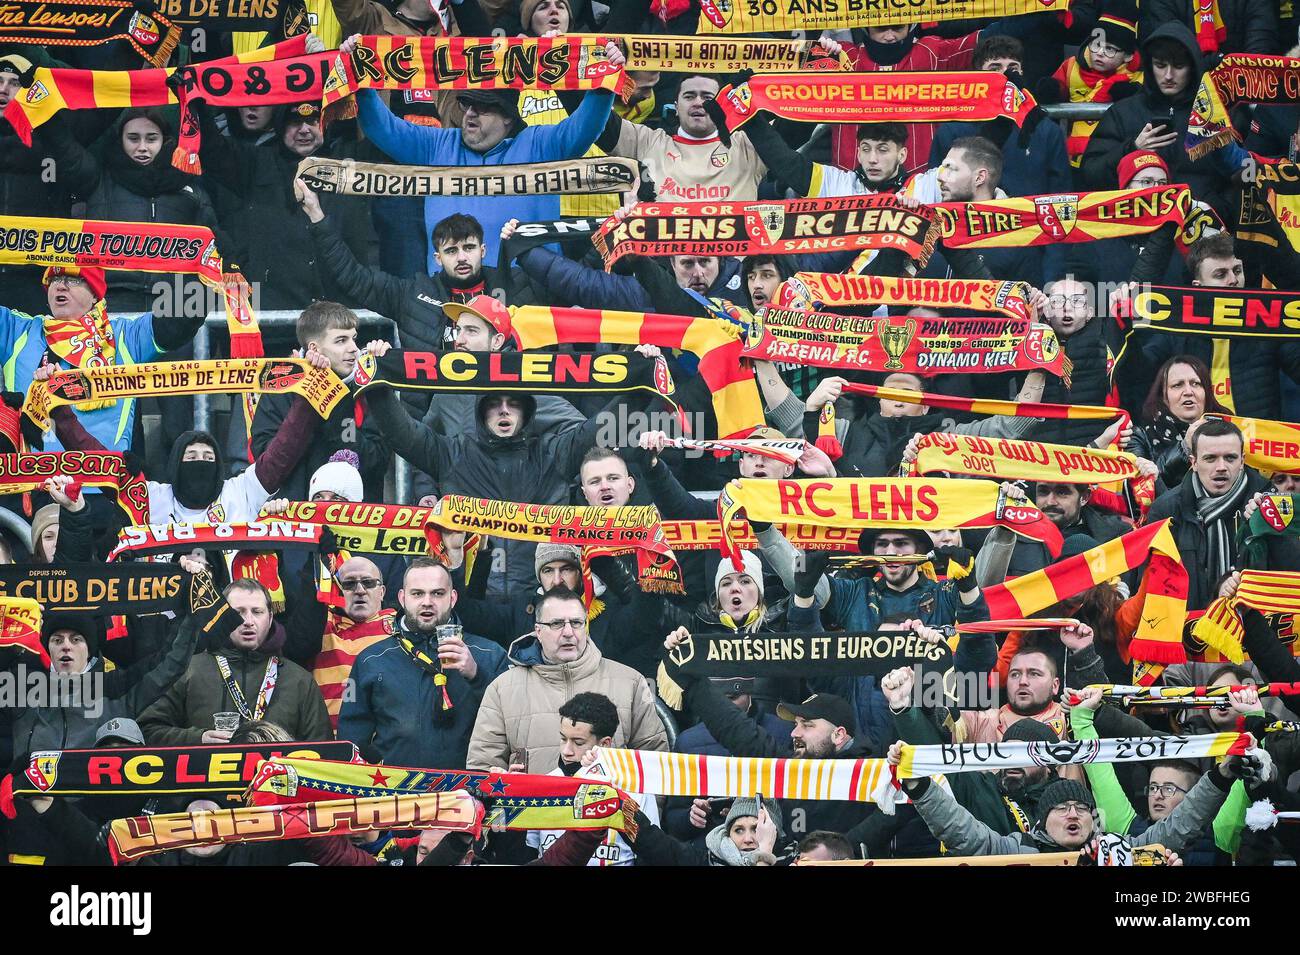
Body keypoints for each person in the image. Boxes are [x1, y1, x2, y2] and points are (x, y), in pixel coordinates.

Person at [346, 32, 624, 269]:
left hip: (528, 291)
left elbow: (586, 126)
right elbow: (382, 129)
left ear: (508, 117)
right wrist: (361, 85)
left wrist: (605, 81)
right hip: (453, 292)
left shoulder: (540, 144)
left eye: (483, 107)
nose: (470, 114)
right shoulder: (437, 145)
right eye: (467, 104)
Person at [466, 587, 668, 774]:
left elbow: (656, 765)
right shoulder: (502, 689)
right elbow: (482, 767)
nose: (569, 632)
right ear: (538, 631)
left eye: (577, 623)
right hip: (528, 812)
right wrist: (504, 788)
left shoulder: (630, 682)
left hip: (611, 813)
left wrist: (639, 812)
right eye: (556, 624)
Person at [339, 558, 507, 768]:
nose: (427, 601)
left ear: (453, 598)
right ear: (402, 598)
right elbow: (352, 738)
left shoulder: (489, 653)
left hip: (468, 793)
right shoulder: (371, 659)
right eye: (417, 593)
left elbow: (511, 726)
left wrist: (477, 675)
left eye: (437, 593)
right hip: (395, 792)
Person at [138, 579, 331, 745]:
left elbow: (323, 751)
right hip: (209, 784)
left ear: (271, 618)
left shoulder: (299, 680)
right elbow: (146, 730)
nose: (248, 621)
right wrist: (199, 738)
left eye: (257, 612)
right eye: (238, 612)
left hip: (276, 786)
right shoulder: (186, 670)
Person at [250, 301, 389, 504]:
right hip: (294, 521)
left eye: (354, 339)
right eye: (341, 341)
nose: (354, 349)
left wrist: (335, 396)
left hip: (353, 524)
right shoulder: (280, 389)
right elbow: (269, 468)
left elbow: (374, 462)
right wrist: (310, 395)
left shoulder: (367, 387)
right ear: (314, 348)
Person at [1144, 417, 1270, 609]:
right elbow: (1150, 586)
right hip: (1187, 629)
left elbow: (1289, 573)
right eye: (1210, 458)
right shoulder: (1165, 510)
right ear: (1193, 462)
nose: (1221, 467)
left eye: (1230, 458)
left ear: (1242, 461)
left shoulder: (1267, 503)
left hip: (1253, 628)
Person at [524, 691, 660, 866]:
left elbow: (650, 856)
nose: (566, 751)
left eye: (578, 743)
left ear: (604, 744)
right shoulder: (546, 785)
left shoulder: (636, 790)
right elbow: (528, 853)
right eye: (563, 739)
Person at [596, 73, 766, 203]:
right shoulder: (646, 141)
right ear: (676, 107)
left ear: (723, 106)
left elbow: (791, 125)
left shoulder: (750, 145)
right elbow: (593, 120)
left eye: (707, 97)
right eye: (689, 96)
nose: (698, 102)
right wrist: (604, 72)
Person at [1131, 354, 1229, 492]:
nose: (1188, 392)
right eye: (1177, 385)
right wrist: (1184, 447)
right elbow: (1141, 488)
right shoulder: (1139, 437)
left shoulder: (1230, 429)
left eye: (1196, 383)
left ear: (1207, 392)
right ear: (1163, 397)